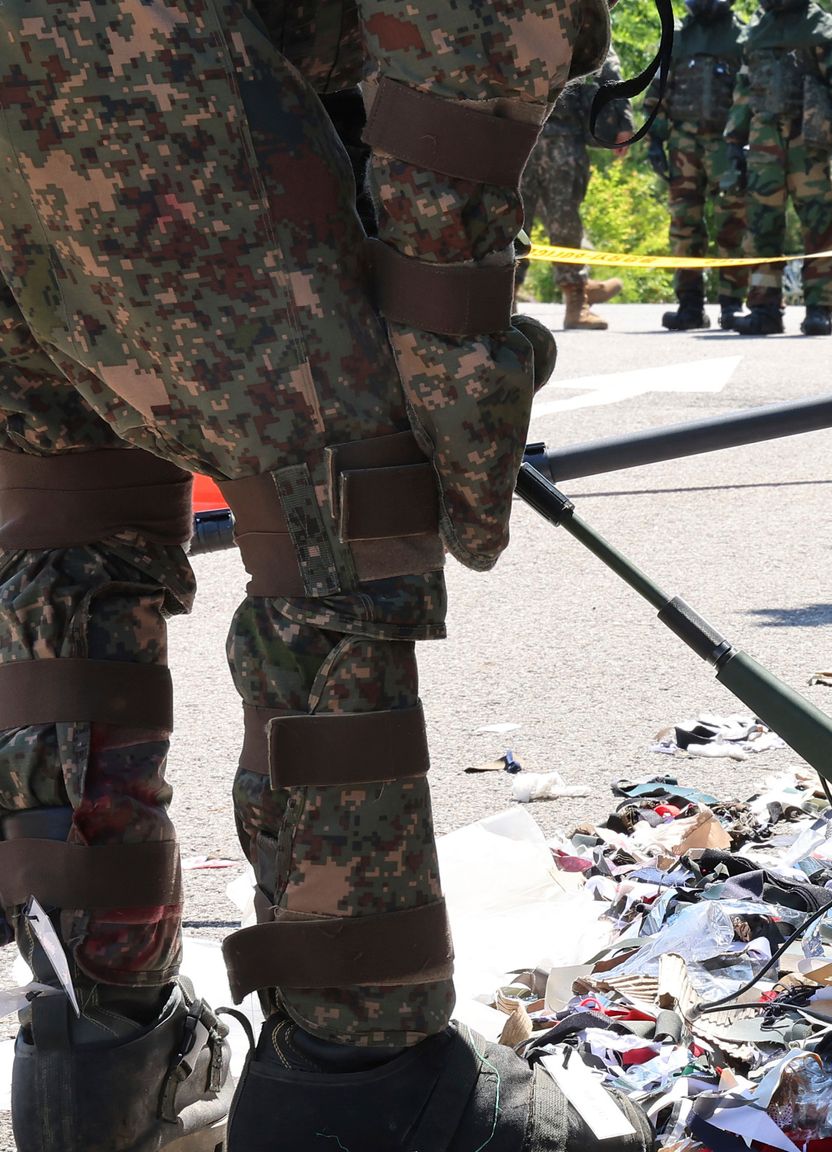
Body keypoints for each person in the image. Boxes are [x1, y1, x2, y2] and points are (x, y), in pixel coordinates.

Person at [0, 2, 652, 1148]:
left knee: (67, 520)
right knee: (343, 515)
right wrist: (453, 368)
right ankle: (367, 1073)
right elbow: (477, 34)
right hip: (137, 68)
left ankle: (101, 1051)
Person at [722, 0, 832, 337]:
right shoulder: (757, 28)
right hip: (763, 141)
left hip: (809, 138)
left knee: (819, 221)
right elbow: (745, 89)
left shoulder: (819, 25)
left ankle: (820, 309)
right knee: (760, 225)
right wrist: (733, 141)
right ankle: (764, 309)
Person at [646, 0, 750, 332]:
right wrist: (653, 139)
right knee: (684, 225)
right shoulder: (677, 37)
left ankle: (732, 304)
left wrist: (744, 141)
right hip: (683, 145)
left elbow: (751, 92)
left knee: (732, 222)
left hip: (727, 143)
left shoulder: (743, 36)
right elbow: (659, 90)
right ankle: (689, 305)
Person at [520, 48, 635, 332]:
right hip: (527, 131)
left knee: (553, 220)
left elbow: (606, 63)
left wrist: (623, 121)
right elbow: (608, 64)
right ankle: (574, 294)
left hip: (542, 132)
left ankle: (576, 299)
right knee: (522, 219)